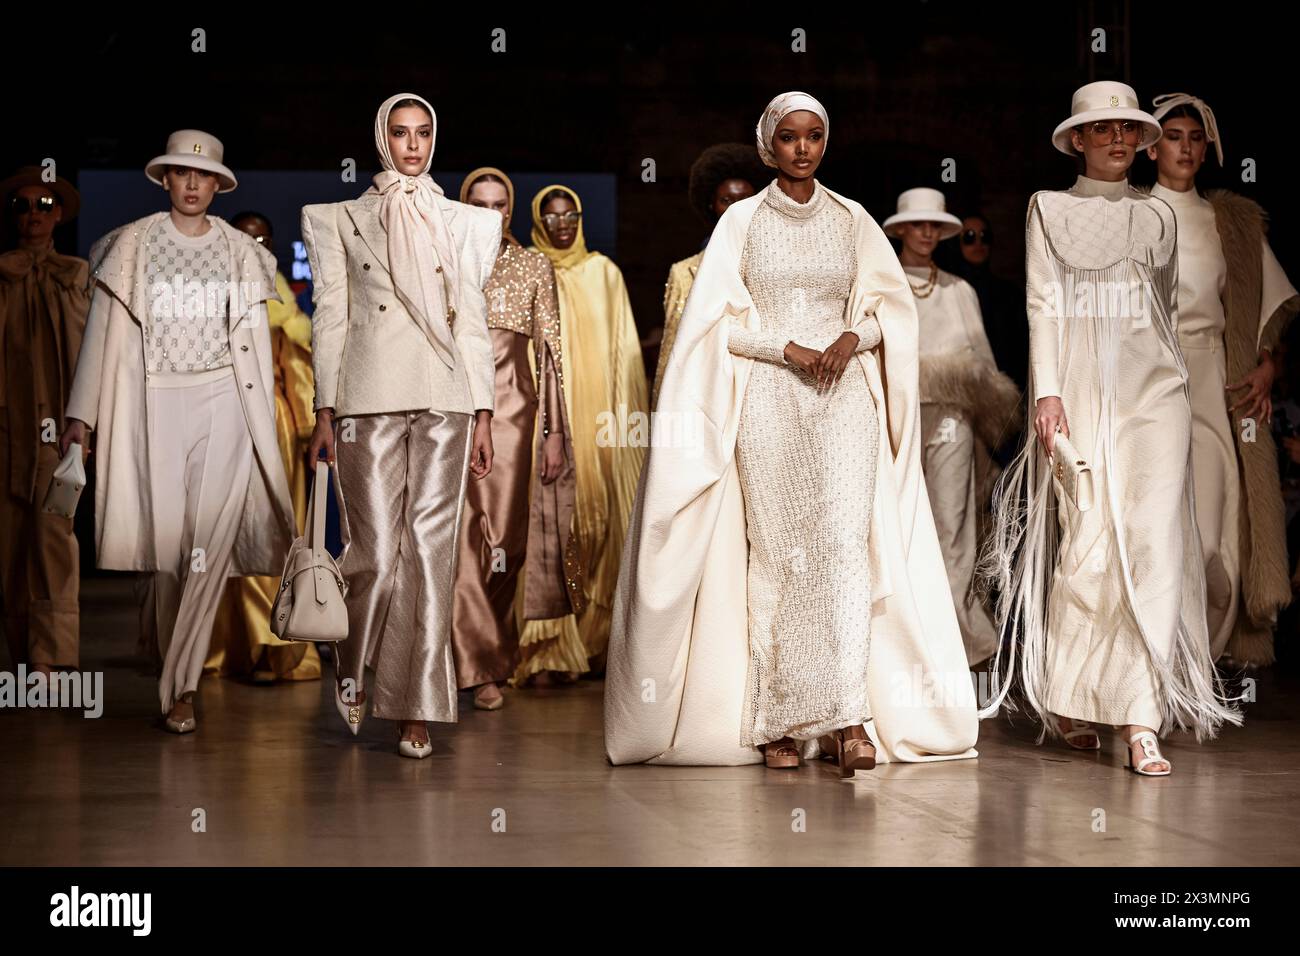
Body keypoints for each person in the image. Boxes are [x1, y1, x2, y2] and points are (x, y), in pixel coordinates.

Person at [604, 92, 978, 773]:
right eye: (789, 137)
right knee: (777, 552)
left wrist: (849, 334)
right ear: (767, 144)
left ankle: (848, 722)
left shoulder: (853, 218)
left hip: (844, 402)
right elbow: (715, 325)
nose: (802, 148)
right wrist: (788, 350)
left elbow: (890, 312)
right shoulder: (742, 223)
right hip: (771, 401)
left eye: (813, 137)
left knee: (842, 549)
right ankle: (779, 723)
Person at [982, 82, 1242, 776]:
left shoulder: (1158, 216)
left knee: (1156, 541)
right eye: (1103, 132)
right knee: (1090, 538)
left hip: (1155, 394)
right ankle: (1073, 696)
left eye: (1128, 131)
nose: (1120, 141)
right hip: (1080, 395)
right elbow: (1043, 304)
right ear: (1078, 141)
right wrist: (1048, 393)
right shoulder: (1049, 208)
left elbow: (1158, 310)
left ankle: (1140, 717)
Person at [60, 130, 294, 733]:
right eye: (181, 174)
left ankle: (182, 688)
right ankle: (175, 667)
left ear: (218, 184)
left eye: (203, 175)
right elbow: (102, 342)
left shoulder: (243, 252)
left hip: (225, 404)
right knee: (168, 558)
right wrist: (79, 421)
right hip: (154, 403)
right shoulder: (131, 246)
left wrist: (262, 423)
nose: (192, 184)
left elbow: (256, 351)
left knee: (207, 553)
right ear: (165, 179)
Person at [302, 94, 501, 758]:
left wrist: (483, 412)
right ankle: (353, 666)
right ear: (380, 138)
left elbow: (470, 320)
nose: (412, 145)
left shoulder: (467, 223)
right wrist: (324, 410)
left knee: (430, 550)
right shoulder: (336, 218)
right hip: (367, 396)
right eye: (399, 133)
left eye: (422, 133)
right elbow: (330, 315)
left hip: (444, 394)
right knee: (378, 551)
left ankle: (415, 702)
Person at [1146, 92, 1298, 667]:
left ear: (1207, 148)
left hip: (1214, 379)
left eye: (1194, 138)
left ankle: (1196, 662)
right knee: (1155, 524)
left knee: (1211, 535)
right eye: (1173, 137)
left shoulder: (1227, 221)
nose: (1184, 147)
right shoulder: (1133, 213)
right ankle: (1158, 669)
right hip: (1149, 377)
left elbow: (1263, 307)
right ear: (1150, 146)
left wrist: (1266, 361)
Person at [452, 168, 579, 711]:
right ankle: (472, 668)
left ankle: (490, 655)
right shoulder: (445, 262)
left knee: (502, 543)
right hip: (450, 411)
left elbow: (549, 356)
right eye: (478, 203)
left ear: (510, 209)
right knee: (454, 540)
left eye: (499, 204)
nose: (490, 212)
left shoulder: (532, 265)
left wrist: (554, 432)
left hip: (514, 415)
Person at [510, 184, 648, 685]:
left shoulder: (603, 273)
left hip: (597, 420)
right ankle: (546, 649)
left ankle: (596, 642)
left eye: (572, 214)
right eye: (552, 216)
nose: (563, 224)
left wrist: (627, 426)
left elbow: (624, 352)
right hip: (546, 419)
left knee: (599, 521)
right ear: (538, 220)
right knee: (549, 523)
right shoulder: (528, 269)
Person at [883, 188, 1018, 665]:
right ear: (899, 229)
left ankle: (956, 639)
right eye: (916, 224)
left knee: (952, 523)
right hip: (894, 416)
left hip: (952, 419)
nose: (925, 233)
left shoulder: (960, 291)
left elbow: (983, 365)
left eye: (934, 226)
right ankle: (901, 641)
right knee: (896, 522)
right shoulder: (881, 285)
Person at [205, 211, 321, 684]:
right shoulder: (208, 294)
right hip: (218, 421)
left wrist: (311, 429)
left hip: (270, 425)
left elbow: (297, 369)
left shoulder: (280, 301)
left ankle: (276, 647)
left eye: (264, 238)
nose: (255, 245)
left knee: (273, 533)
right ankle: (229, 647)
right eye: (245, 238)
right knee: (220, 535)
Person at [0, 167, 89, 676]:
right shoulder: (2, 274)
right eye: (23, 206)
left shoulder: (74, 276)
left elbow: (89, 359)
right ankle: (21, 658)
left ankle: (52, 660)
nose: (34, 215)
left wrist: (86, 429)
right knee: (10, 544)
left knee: (53, 537)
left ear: (59, 214)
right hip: (4, 428)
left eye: (44, 205)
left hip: (55, 432)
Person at [654, 143, 766, 408]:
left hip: (761, 390)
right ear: (711, 205)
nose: (734, 209)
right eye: (726, 200)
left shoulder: (773, 266)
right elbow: (673, 349)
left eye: (744, 200)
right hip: (706, 395)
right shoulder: (685, 272)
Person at [954, 212, 1029, 392]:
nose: (978, 243)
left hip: (1005, 398)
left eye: (984, 236)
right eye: (969, 237)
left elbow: (1022, 352)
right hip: (960, 395)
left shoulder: (1009, 294)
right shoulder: (948, 292)